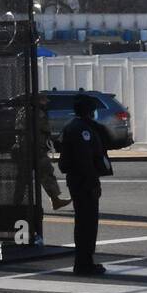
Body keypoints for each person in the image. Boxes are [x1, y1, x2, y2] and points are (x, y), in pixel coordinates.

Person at [58, 94, 112, 275]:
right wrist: (93, 183)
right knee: (87, 224)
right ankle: (83, 263)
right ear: (89, 111)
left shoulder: (72, 126)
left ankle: (84, 261)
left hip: (77, 180)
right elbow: (85, 160)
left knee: (83, 223)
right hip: (83, 181)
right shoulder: (83, 130)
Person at [14, 91, 70, 211]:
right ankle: (55, 200)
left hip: (24, 148)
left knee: (23, 179)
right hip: (36, 149)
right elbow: (45, 128)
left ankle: (17, 203)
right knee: (46, 174)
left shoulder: (22, 111)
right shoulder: (38, 113)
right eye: (43, 100)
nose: (46, 103)